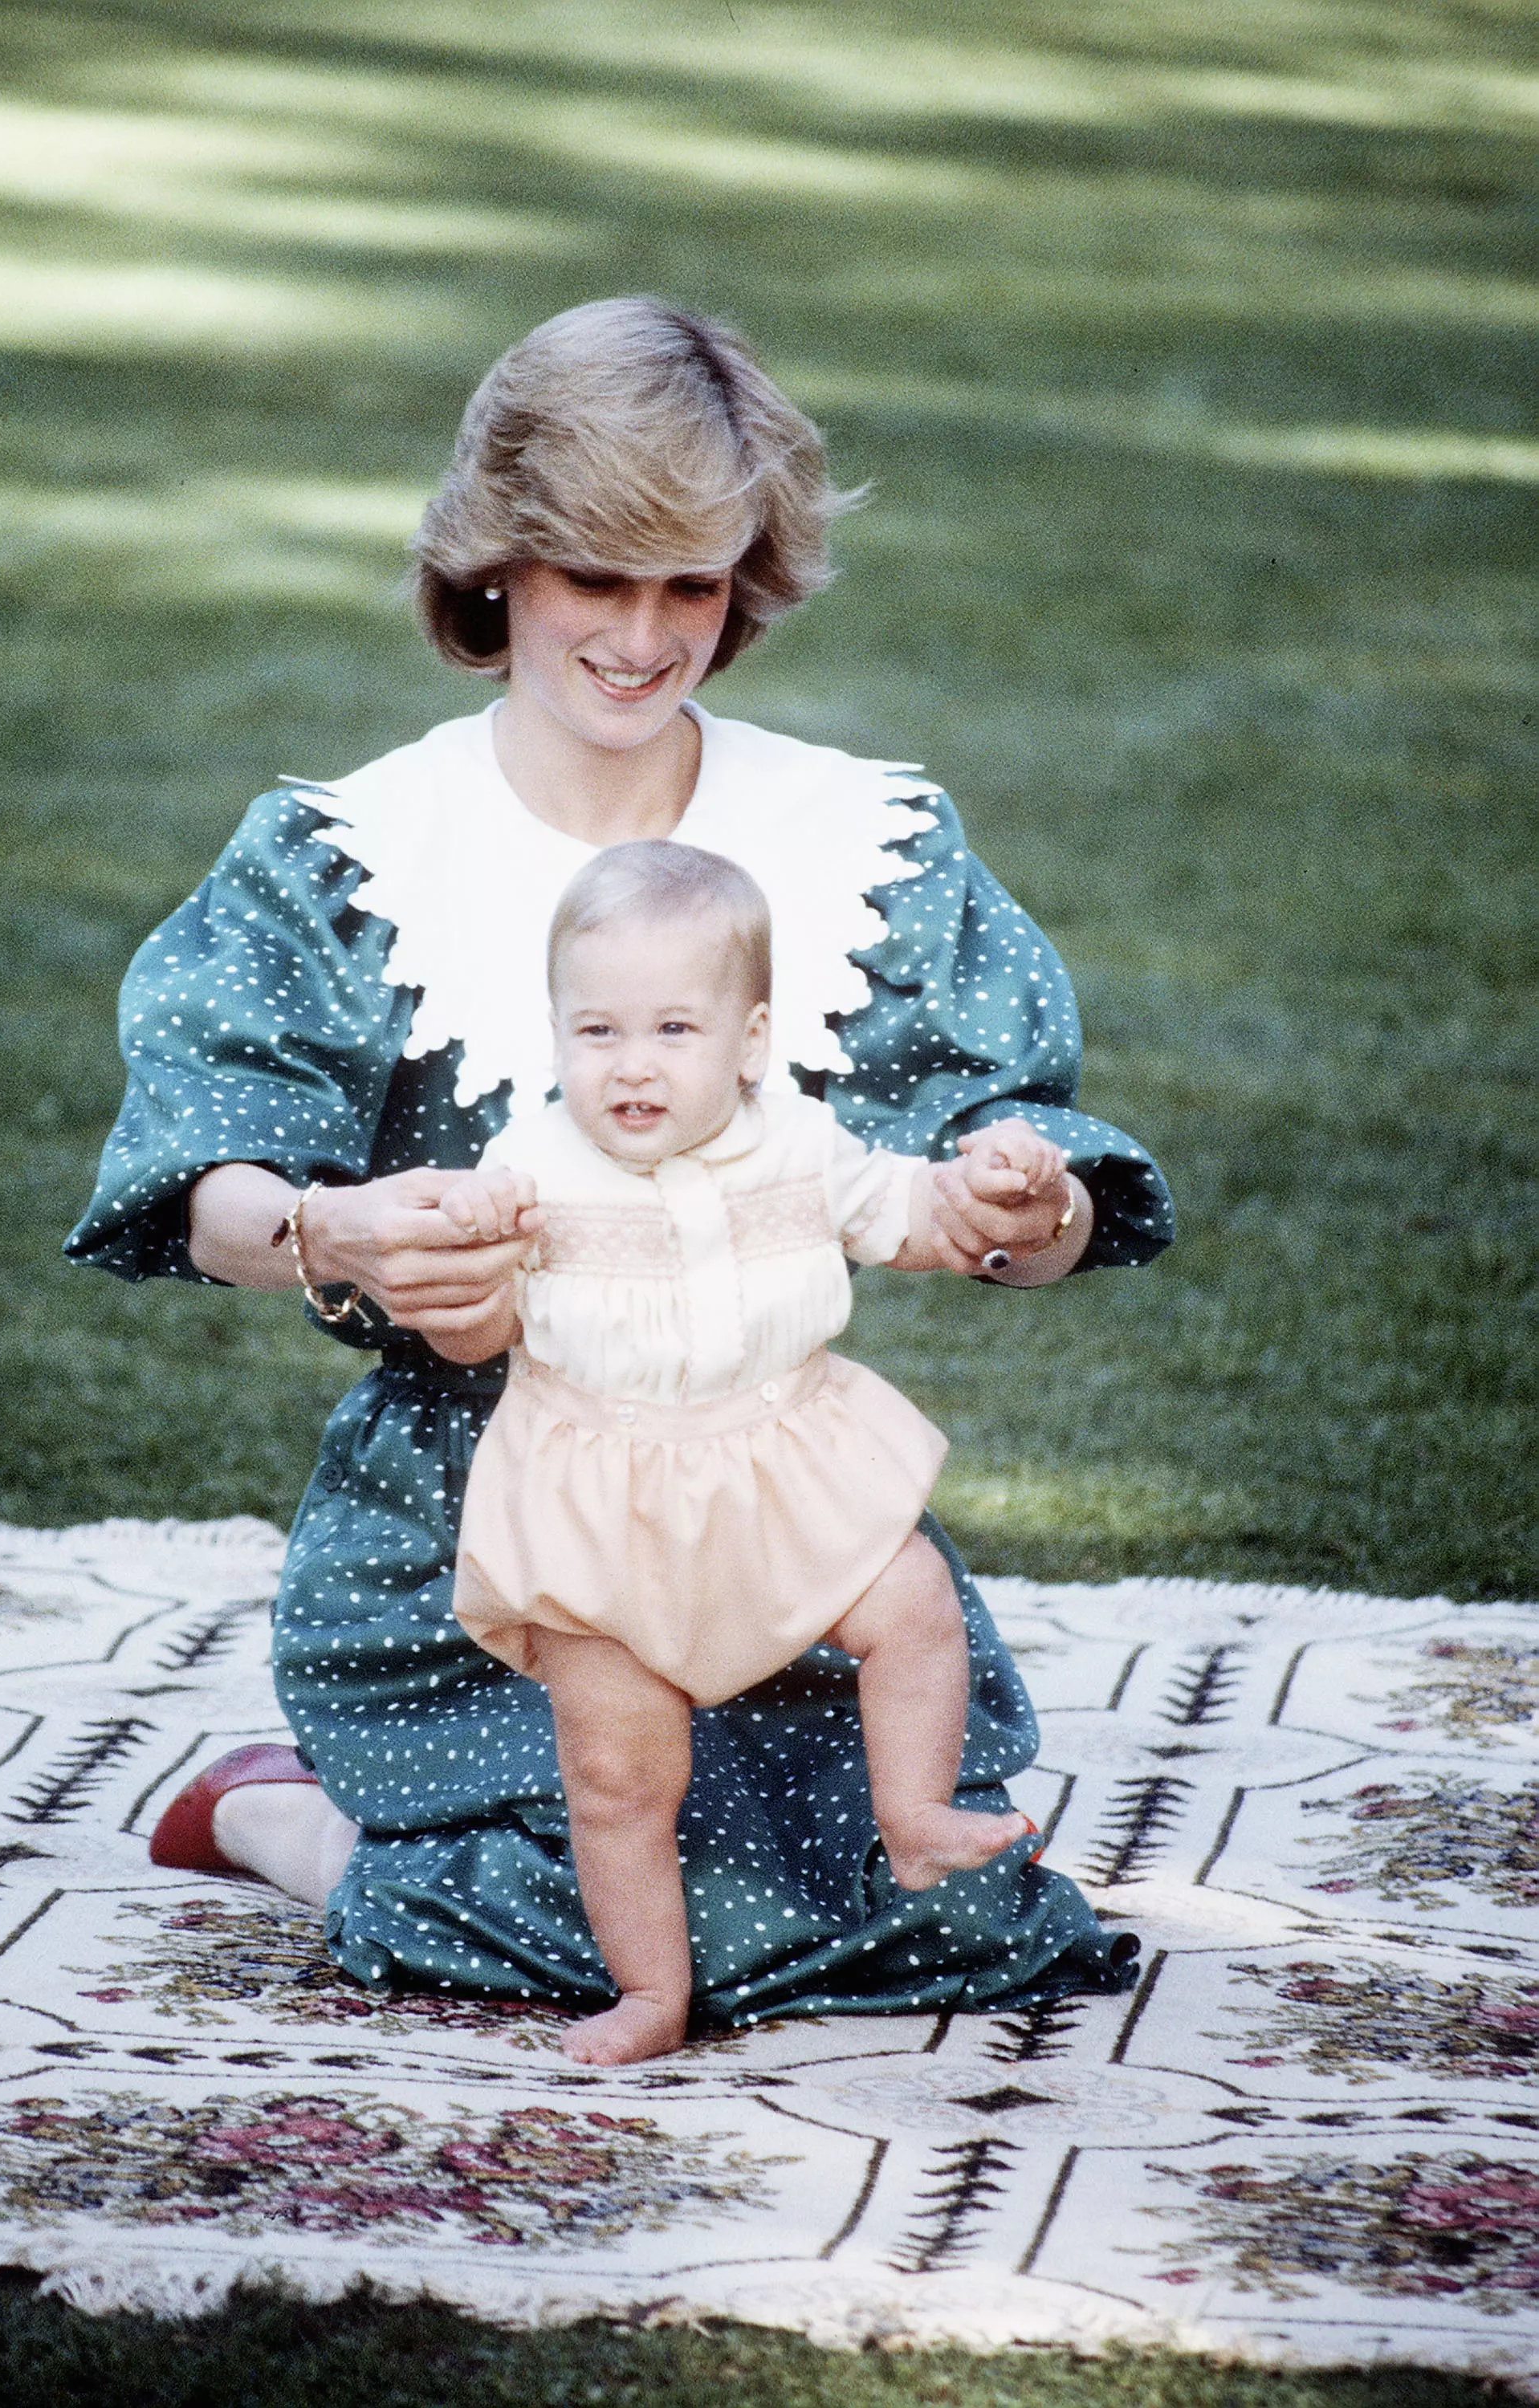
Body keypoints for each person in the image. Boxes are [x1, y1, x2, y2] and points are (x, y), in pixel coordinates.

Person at [68, 295, 1173, 2037]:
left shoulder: (860, 840)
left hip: (760, 1498)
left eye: (695, 583)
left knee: (953, 1918)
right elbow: (198, 1170)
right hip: (477, 1529)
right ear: (496, 564)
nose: (648, 635)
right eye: (599, 576)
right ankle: (286, 1811)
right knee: (610, 1910)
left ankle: (475, 1841)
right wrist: (320, 1228)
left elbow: (1014, 1159)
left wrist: (1024, 1206)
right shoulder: (345, 853)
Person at [437, 839, 1064, 2062]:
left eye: (673, 1029)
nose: (629, 1065)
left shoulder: (803, 1144)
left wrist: (992, 1177)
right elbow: (471, 1313)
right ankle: (650, 1994)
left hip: (781, 1457)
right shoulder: (528, 1169)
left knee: (913, 1601)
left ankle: (914, 1810)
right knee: (619, 1772)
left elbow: (915, 1219)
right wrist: (463, 1251)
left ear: (750, 1039)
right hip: (595, 1497)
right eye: (596, 1031)